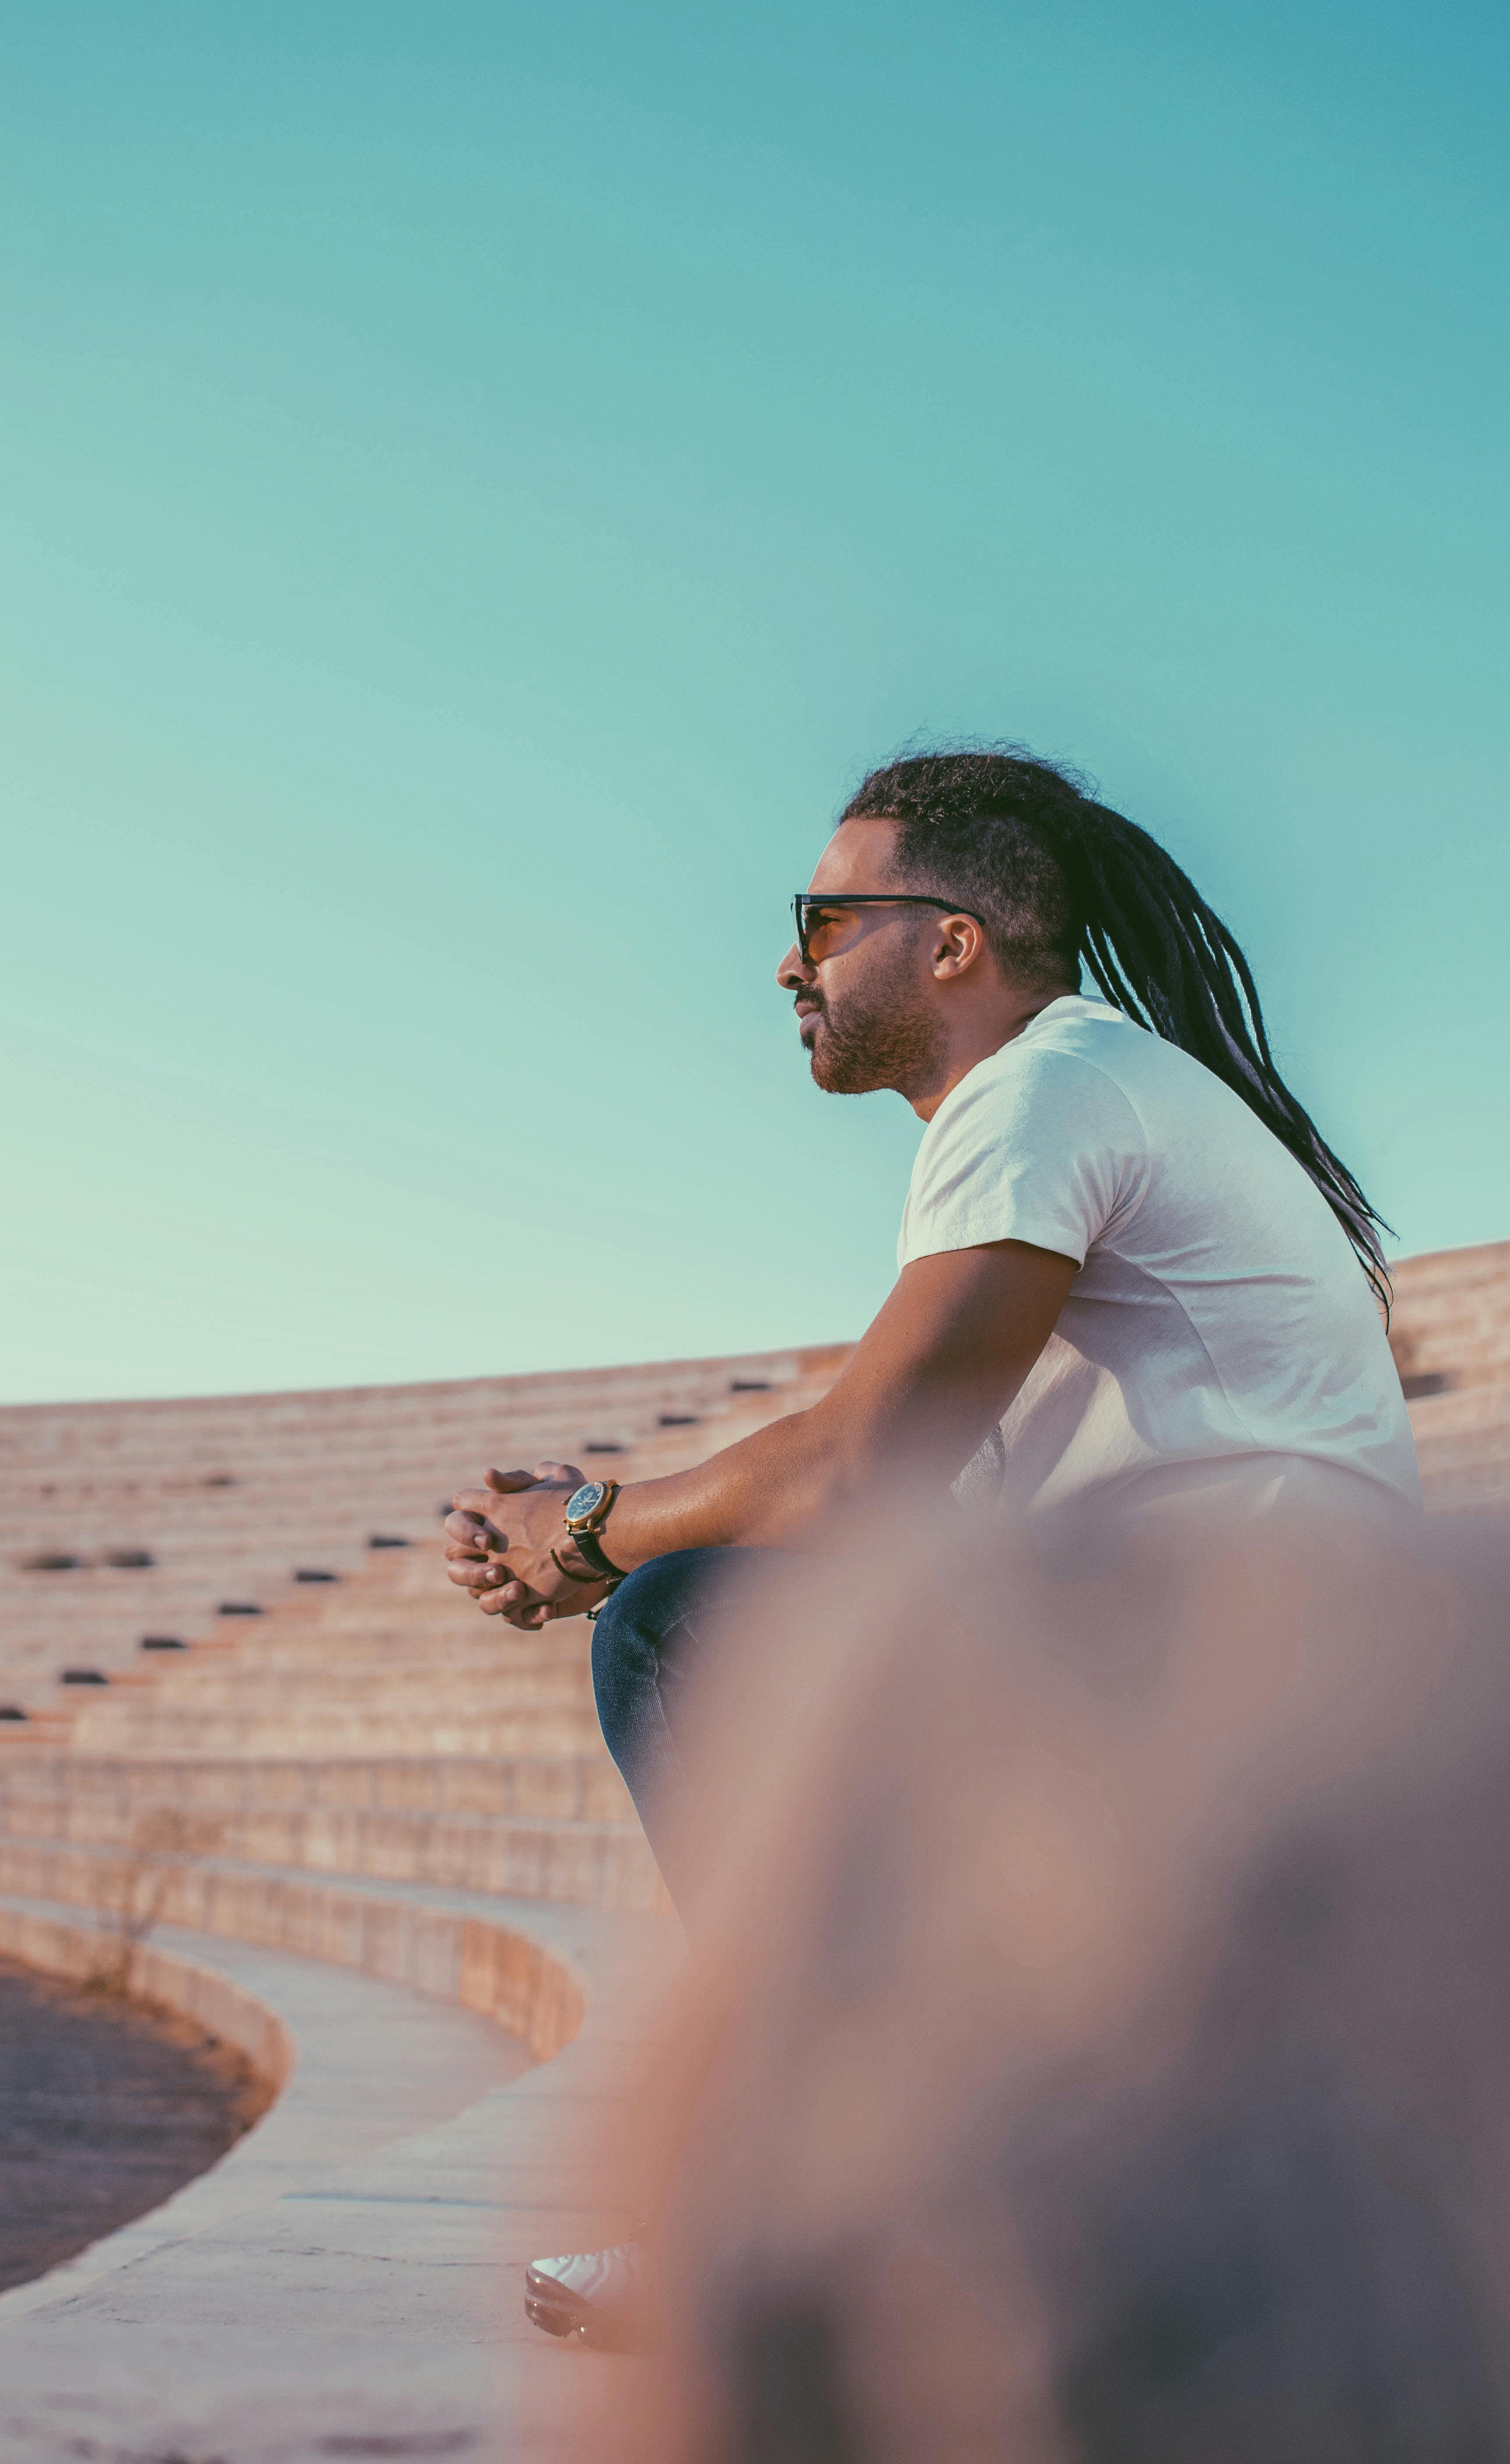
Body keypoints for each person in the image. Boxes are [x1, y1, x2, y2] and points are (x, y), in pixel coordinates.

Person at [440, 745, 1420, 2342]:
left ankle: (806, 2204)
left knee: (693, 1623)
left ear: (952, 942)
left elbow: (859, 1469)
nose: (786, 961)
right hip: (1223, 1634)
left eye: (820, 920)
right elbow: (917, 1489)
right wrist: (592, 1513)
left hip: (1245, 1658)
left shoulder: (1041, 1087)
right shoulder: (1087, 1092)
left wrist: (603, 1533)